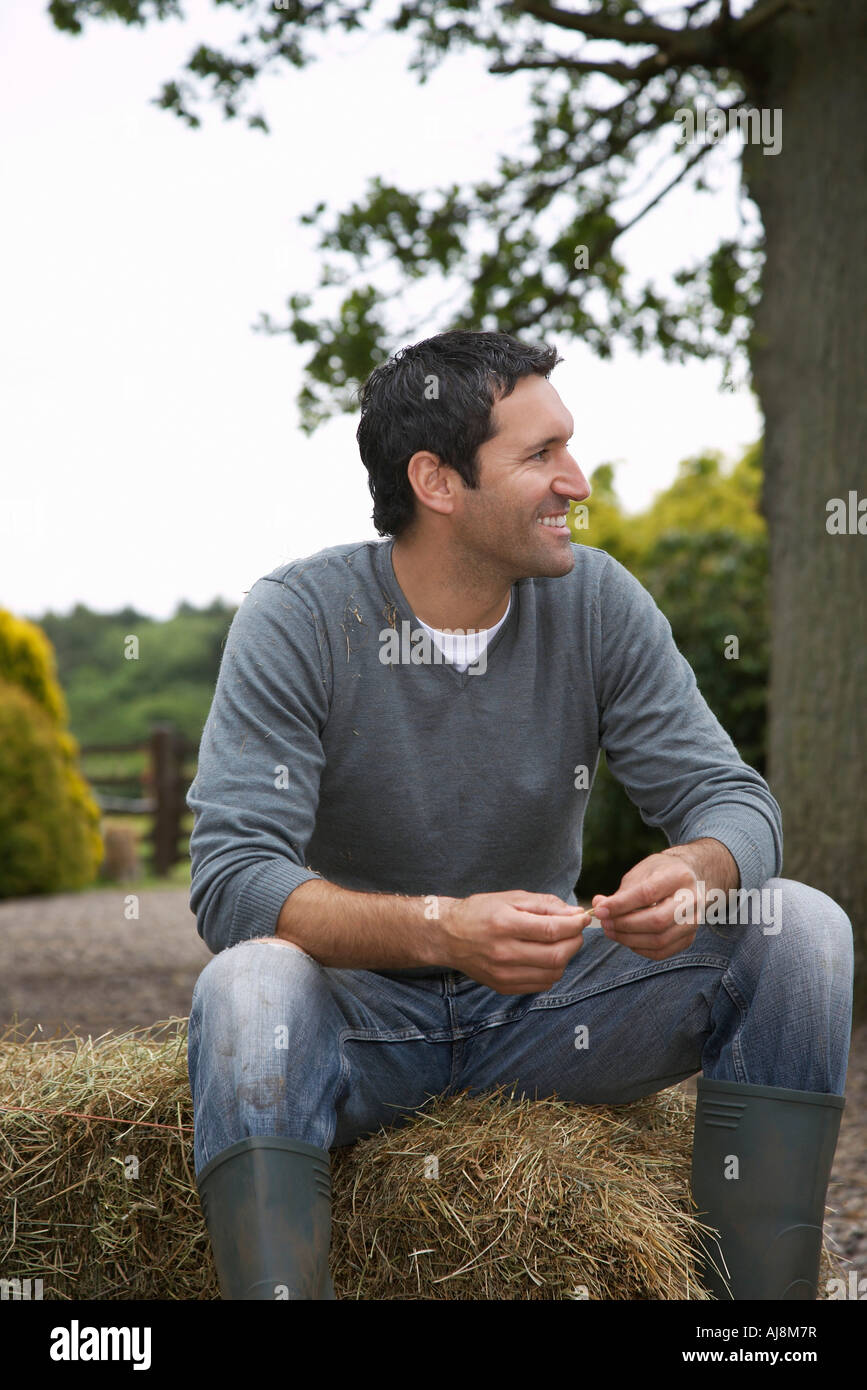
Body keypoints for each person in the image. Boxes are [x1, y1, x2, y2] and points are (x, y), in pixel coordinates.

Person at [185, 330, 853, 1301]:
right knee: (247, 987)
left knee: (800, 928)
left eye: (567, 447)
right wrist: (442, 929)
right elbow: (234, 878)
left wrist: (701, 871)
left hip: (551, 1014)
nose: (575, 481)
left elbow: (734, 798)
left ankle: (760, 1331)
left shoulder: (598, 603)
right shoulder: (298, 616)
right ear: (438, 481)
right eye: (540, 455)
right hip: (362, 1024)